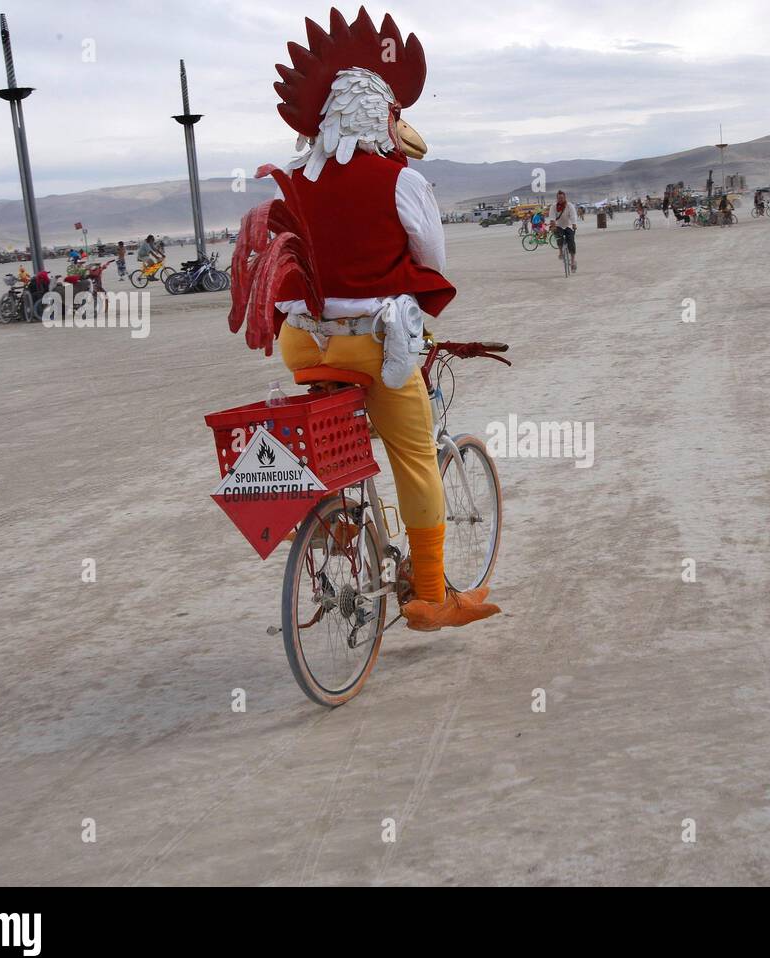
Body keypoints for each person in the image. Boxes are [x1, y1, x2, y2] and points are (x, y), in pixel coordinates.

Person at [236, 9, 498, 631]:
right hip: (375, 348)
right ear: (378, 116)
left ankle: (338, 524)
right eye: (395, 114)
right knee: (415, 458)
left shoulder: (291, 182)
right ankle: (432, 596)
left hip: (301, 344)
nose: (402, 129)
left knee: (334, 442)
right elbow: (433, 259)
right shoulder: (399, 179)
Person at [549, 190, 577, 271]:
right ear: (557, 198)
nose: (560, 199)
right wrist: (553, 225)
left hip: (568, 225)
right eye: (559, 198)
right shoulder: (553, 206)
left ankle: (572, 261)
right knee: (559, 237)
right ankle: (561, 251)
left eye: (562, 198)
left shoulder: (569, 205)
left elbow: (573, 216)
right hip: (558, 225)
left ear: (565, 198)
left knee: (571, 242)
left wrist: (574, 224)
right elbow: (552, 217)